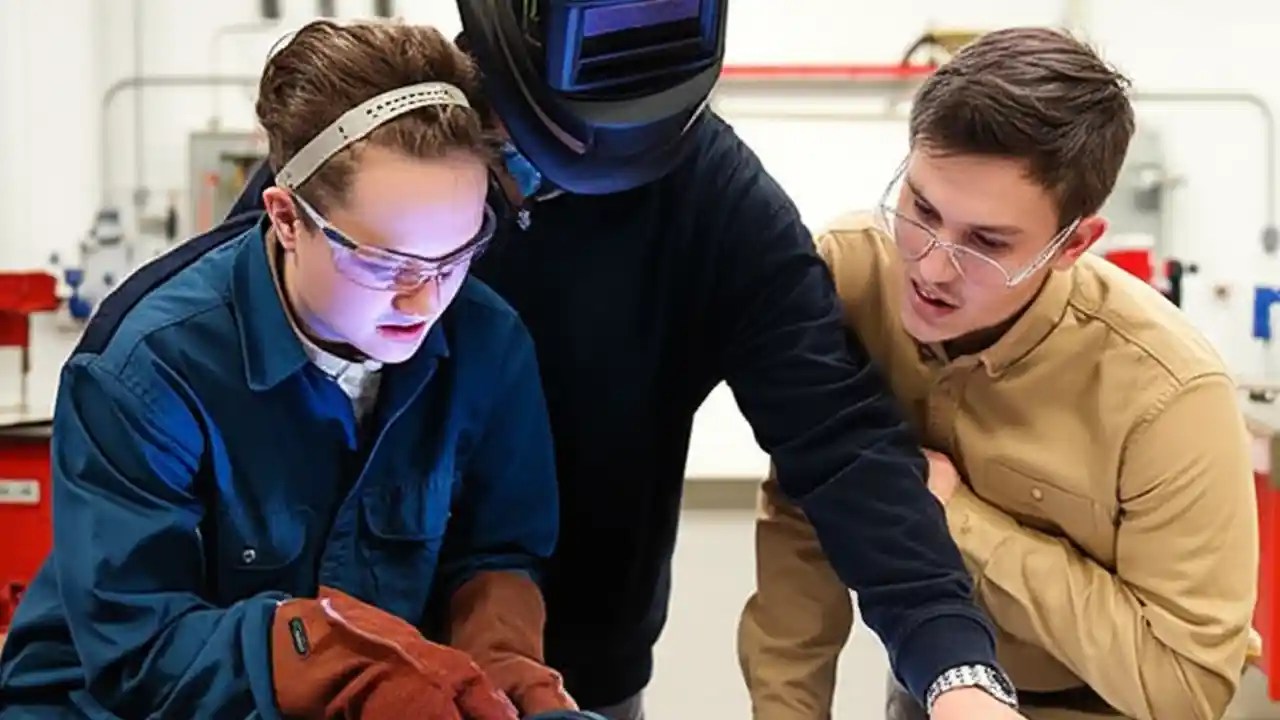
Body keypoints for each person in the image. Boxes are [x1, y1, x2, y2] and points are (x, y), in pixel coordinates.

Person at [125, 5, 1025, 720]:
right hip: (331, 675)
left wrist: (954, 665)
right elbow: (224, 353)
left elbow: (839, 440)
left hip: (562, 673)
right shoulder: (365, 147)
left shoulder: (716, 207)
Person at [0, 19, 585, 719]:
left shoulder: (489, 345)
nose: (425, 298)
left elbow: (497, 550)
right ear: (286, 218)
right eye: (385, 262)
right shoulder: (147, 369)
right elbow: (138, 650)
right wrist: (342, 668)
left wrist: (504, 667)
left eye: (455, 257)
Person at [736, 27, 1260, 720]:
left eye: (987, 243)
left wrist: (957, 515)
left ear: (1074, 243)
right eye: (921, 210)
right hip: (928, 689)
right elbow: (807, 526)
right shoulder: (850, 274)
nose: (930, 267)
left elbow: (1185, 688)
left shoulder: (1169, 393)